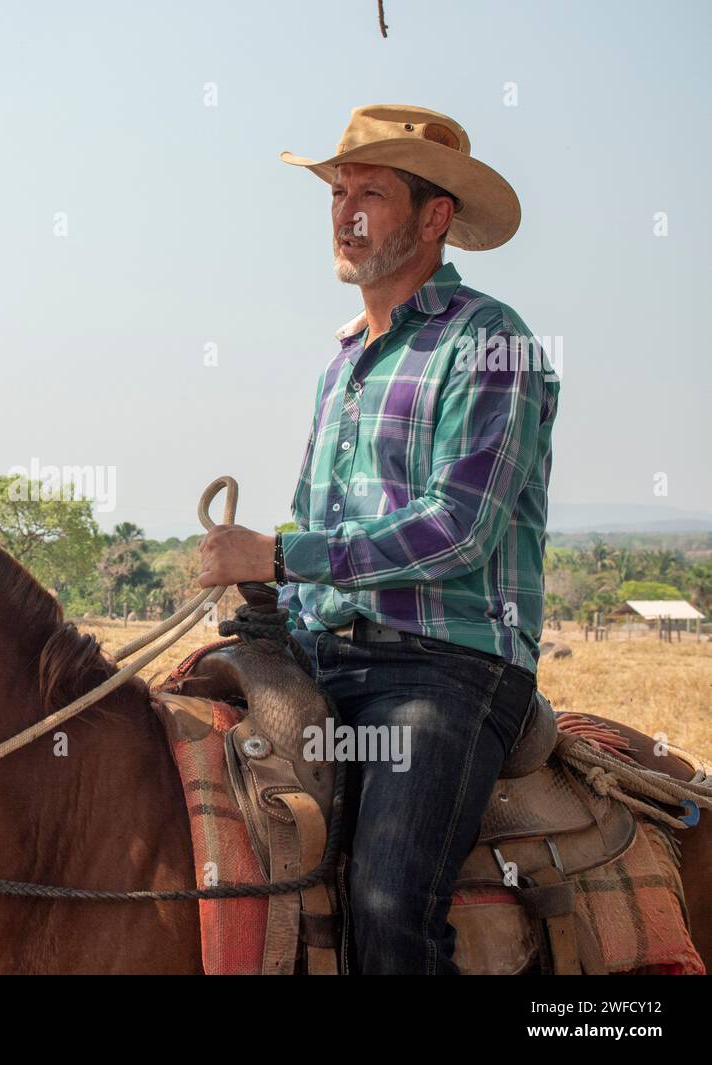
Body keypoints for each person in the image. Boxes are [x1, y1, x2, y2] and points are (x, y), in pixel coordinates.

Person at [196, 104, 559, 974]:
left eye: (373, 193)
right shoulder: (341, 363)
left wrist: (282, 557)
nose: (344, 211)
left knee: (390, 911)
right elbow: (317, 530)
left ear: (436, 217)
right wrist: (269, 594)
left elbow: (460, 528)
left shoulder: (492, 342)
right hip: (328, 658)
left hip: (446, 666)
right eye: (337, 191)